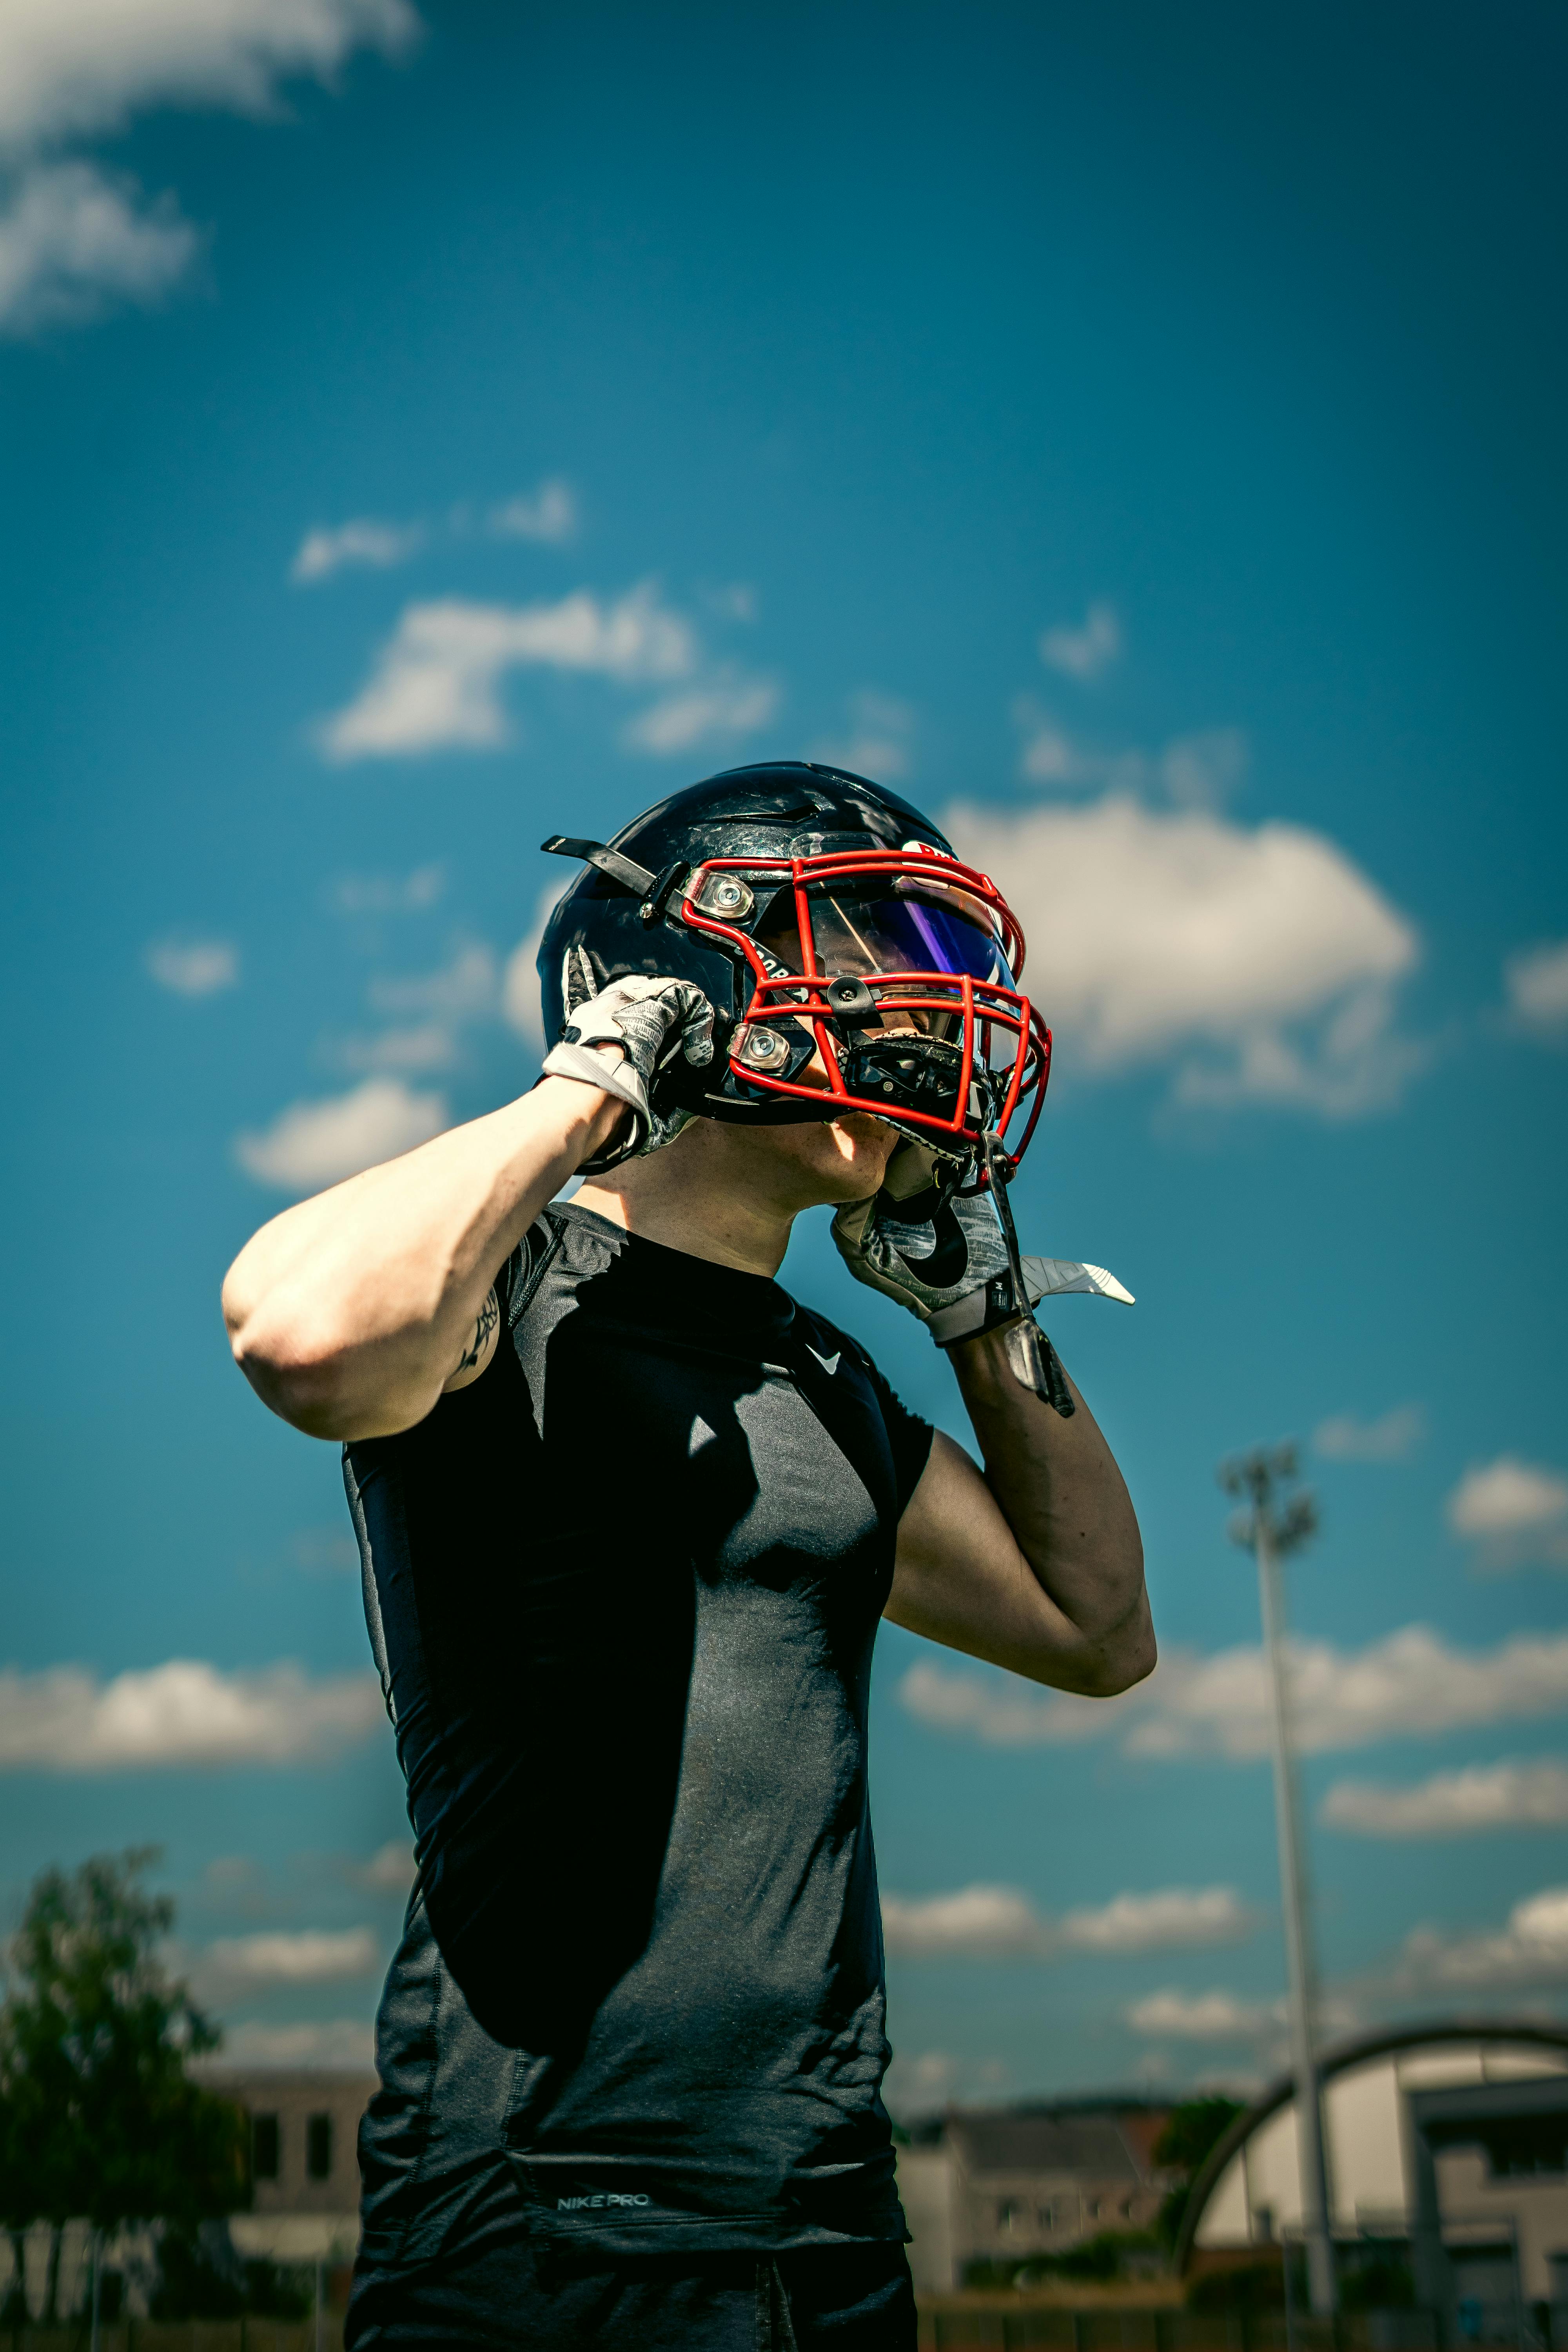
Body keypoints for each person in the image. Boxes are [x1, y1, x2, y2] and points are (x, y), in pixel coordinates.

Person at [221, 762, 1152, 2351]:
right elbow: (302, 1336)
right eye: (880, 954)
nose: (928, 1013)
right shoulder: (502, 1298)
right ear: (692, 970)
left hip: (827, 2223)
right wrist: (593, 1088)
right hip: (543, 2219)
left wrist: (974, 1300)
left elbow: (1094, 1628)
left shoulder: (827, 1385)